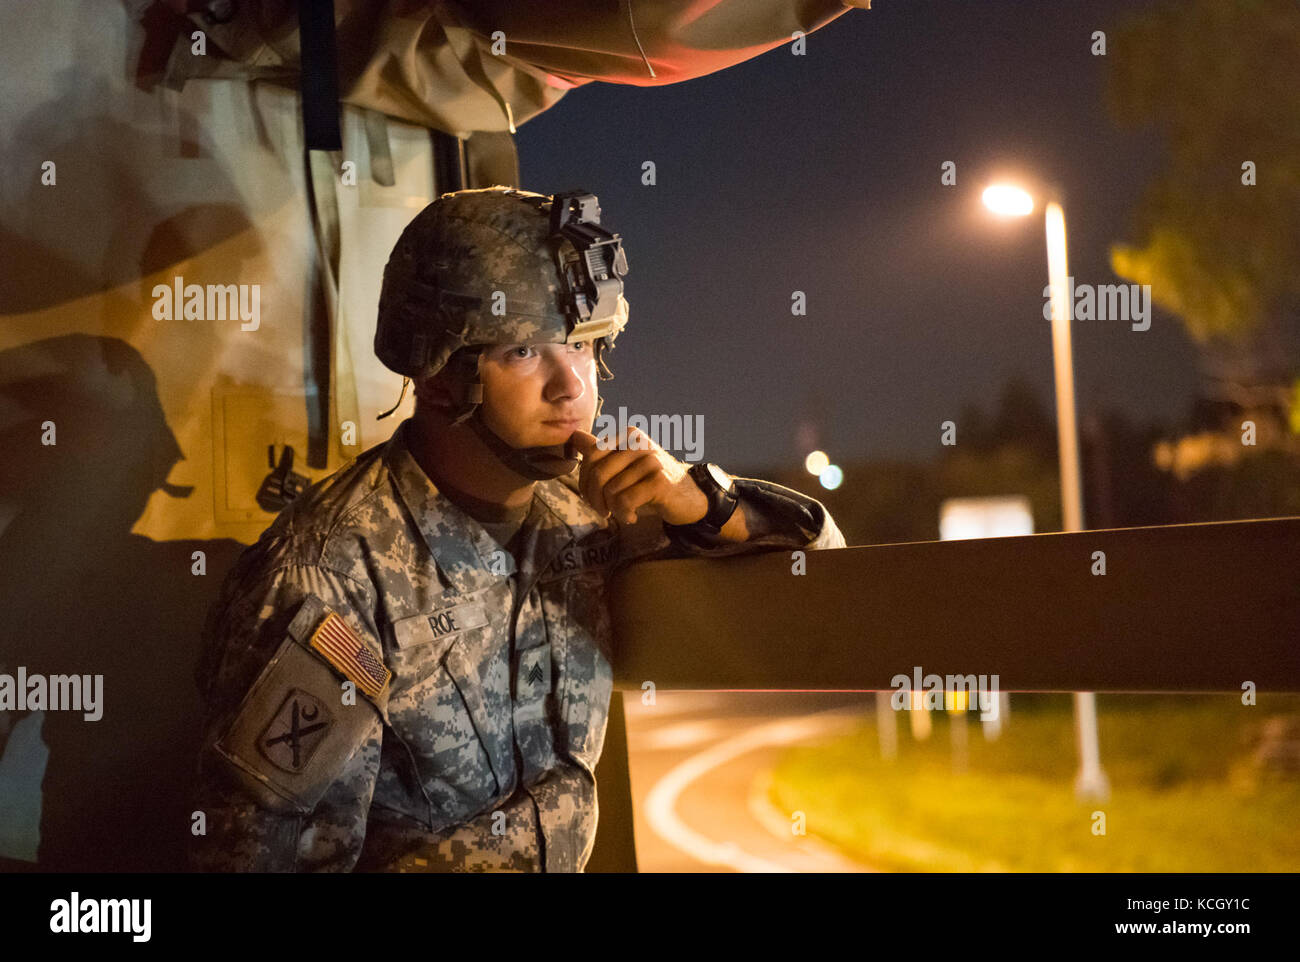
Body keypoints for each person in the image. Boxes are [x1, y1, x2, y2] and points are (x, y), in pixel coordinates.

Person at [188, 185, 845, 872]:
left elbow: (825, 574)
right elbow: (259, 857)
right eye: (525, 351)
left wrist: (703, 503)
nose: (572, 388)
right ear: (439, 375)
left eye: (583, 346)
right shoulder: (330, 573)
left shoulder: (592, 514)